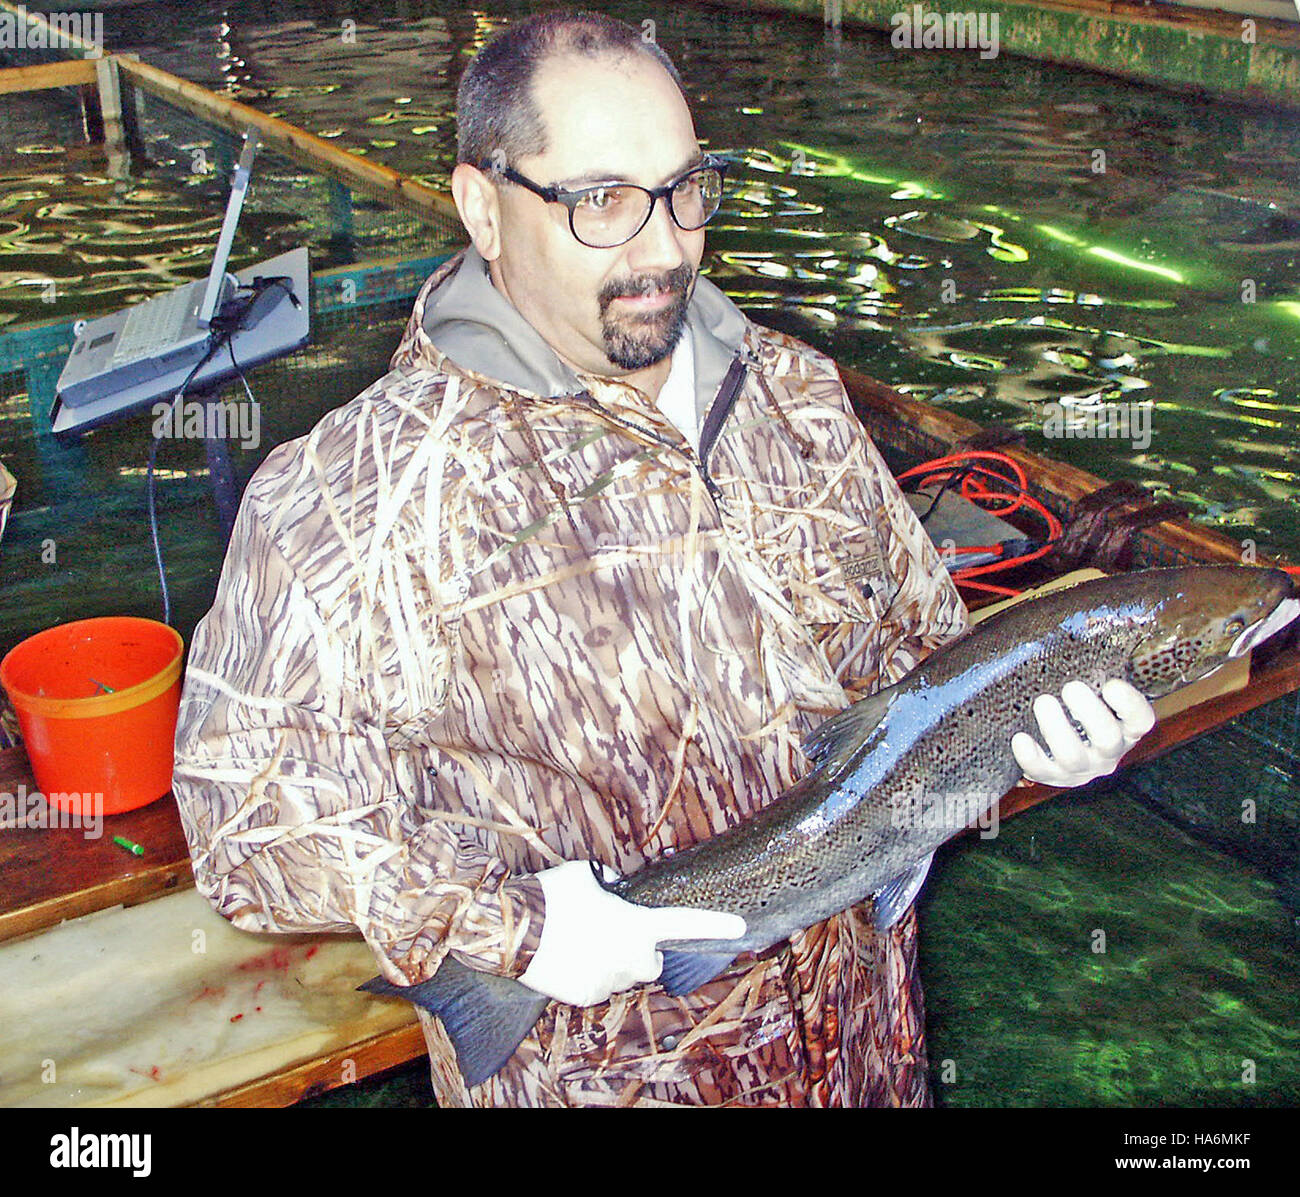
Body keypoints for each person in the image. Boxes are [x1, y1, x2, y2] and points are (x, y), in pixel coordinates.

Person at [171, 10, 1155, 1107]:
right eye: (600, 201)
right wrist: (519, 929)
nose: (662, 248)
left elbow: (924, 662)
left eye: (685, 190)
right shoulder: (351, 494)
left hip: (872, 1064)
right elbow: (244, 818)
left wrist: (1032, 735)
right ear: (480, 208)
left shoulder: (798, 396)